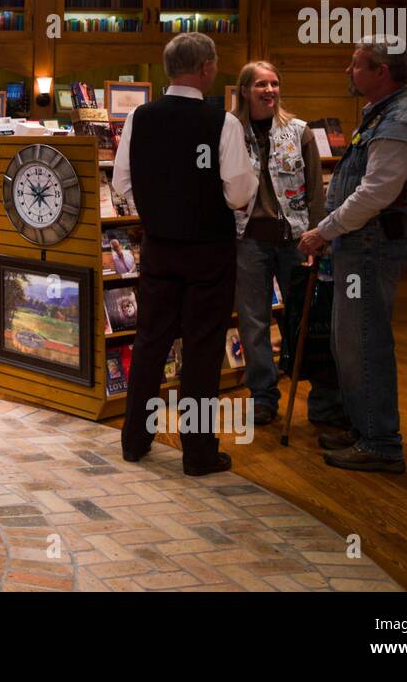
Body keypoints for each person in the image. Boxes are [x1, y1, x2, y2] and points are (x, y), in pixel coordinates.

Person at [112, 33, 258, 476]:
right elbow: (238, 192)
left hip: (158, 246)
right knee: (202, 348)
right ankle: (197, 453)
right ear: (207, 68)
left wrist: (160, 210)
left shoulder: (140, 117)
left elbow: (121, 185)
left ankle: (135, 439)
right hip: (209, 249)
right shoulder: (222, 123)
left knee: (151, 340)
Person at [299, 38, 407, 474]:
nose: (348, 71)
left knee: (365, 343)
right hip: (359, 245)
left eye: (356, 65)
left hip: (371, 245)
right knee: (351, 344)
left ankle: (381, 441)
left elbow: (376, 193)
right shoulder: (383, 112)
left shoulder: (404, 119)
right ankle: (365, 429)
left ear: (381, 71)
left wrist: (324, 230)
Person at [230, 62, 326, 426]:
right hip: (248, 239)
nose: (269, 90)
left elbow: (316, 187)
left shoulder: (299, 131)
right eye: (260, 84)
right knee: (254, 320)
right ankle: (263, 395)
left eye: (274, 84)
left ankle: (322, 395)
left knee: (305, 318)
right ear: (244, 90)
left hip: (294, 239)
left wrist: (319, 234)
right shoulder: (230, 132)